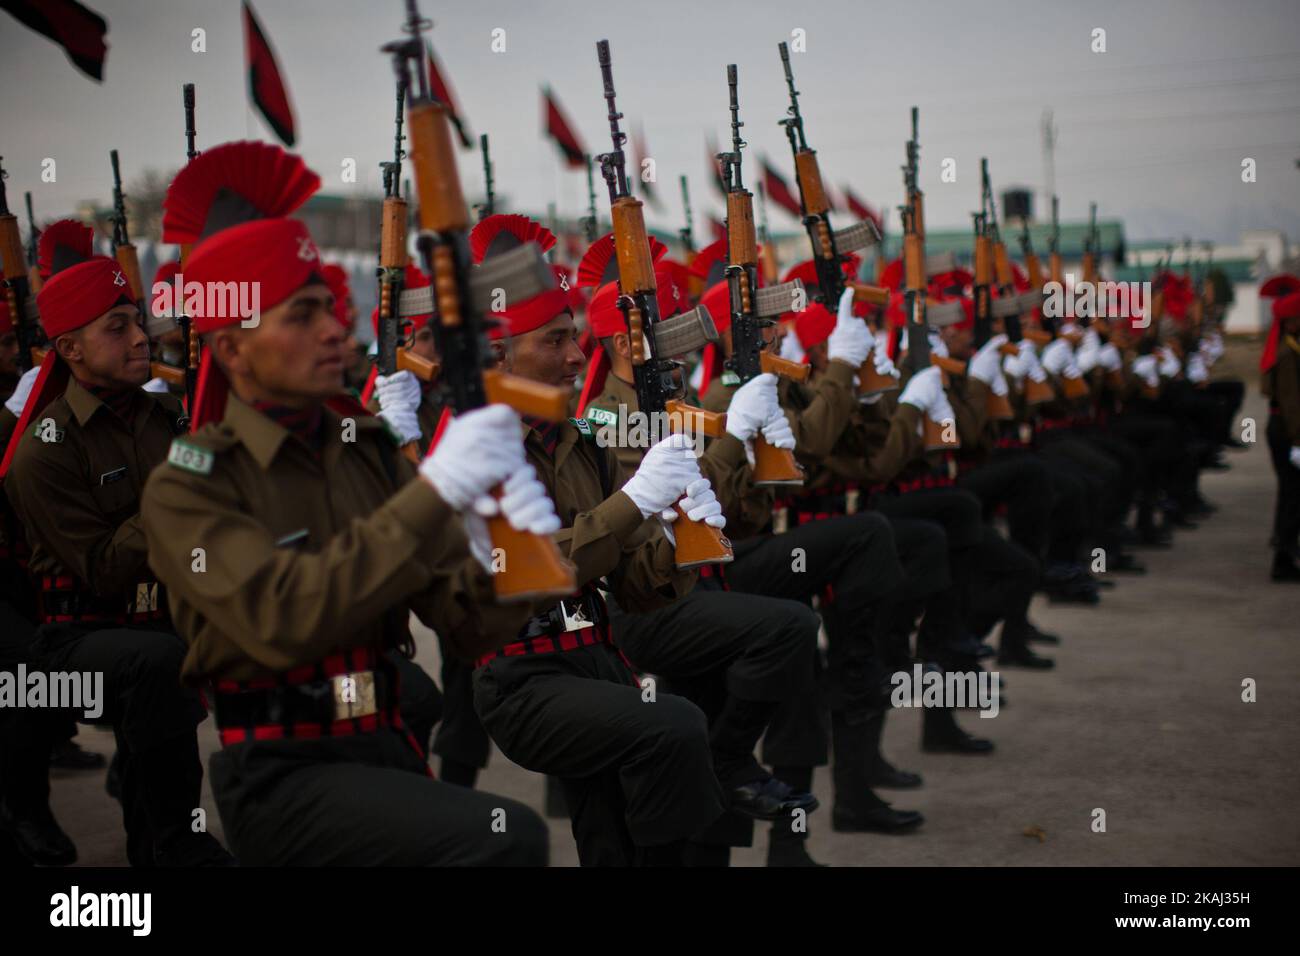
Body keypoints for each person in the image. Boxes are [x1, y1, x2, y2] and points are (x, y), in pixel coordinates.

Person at [139, 167, 552, 865]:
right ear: (232, 348)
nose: (335, 331)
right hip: (283, 775)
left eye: (329, 308)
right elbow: (286, 616)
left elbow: (472, 628)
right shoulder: (189, 483)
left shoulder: (365, 451)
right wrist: (438, 488)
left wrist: (502, 543)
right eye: (301, 315)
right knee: (502, 839)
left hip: (386, 744)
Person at [4, 220, 231, 866]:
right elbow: (102, 571)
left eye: (137, 321)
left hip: (166, 620)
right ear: (70, 349)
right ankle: (175, 841)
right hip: (76, 641)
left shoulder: (167, 419)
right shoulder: (46, 450)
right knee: (157, 662)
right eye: (117, 328)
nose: (139, 338)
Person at [1260, 276, 1300, 581]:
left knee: (1292, 493)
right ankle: (1283, 557)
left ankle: (1284, 552)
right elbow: (1291, 402)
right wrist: (1298, 441)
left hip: (1285, 428)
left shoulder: (1285, 345)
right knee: (1292, 494)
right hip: (1287, 430)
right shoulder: (1287, 354)